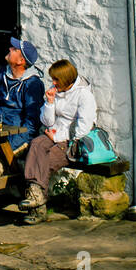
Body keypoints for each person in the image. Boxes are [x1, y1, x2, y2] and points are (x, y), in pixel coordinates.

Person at [20, 59, 96, 224]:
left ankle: (37, 208)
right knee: (36, 144)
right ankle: (37, 199)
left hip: (72, 141)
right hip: (52, 134)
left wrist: (59, 137)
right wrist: (50, 102)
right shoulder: (56, 92)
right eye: (52, 79)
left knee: (43, 162)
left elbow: (84, 128)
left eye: (56, 80)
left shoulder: (84, 95)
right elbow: (47, 122)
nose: (53, 83)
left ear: (67, 79)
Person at [0, 36, 45, 153]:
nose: (10, 48)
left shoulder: (33, 84)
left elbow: (31, 124)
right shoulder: (3, 73)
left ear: (21, 61)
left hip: (20, 137)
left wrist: (9, 146)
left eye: (15, 49)